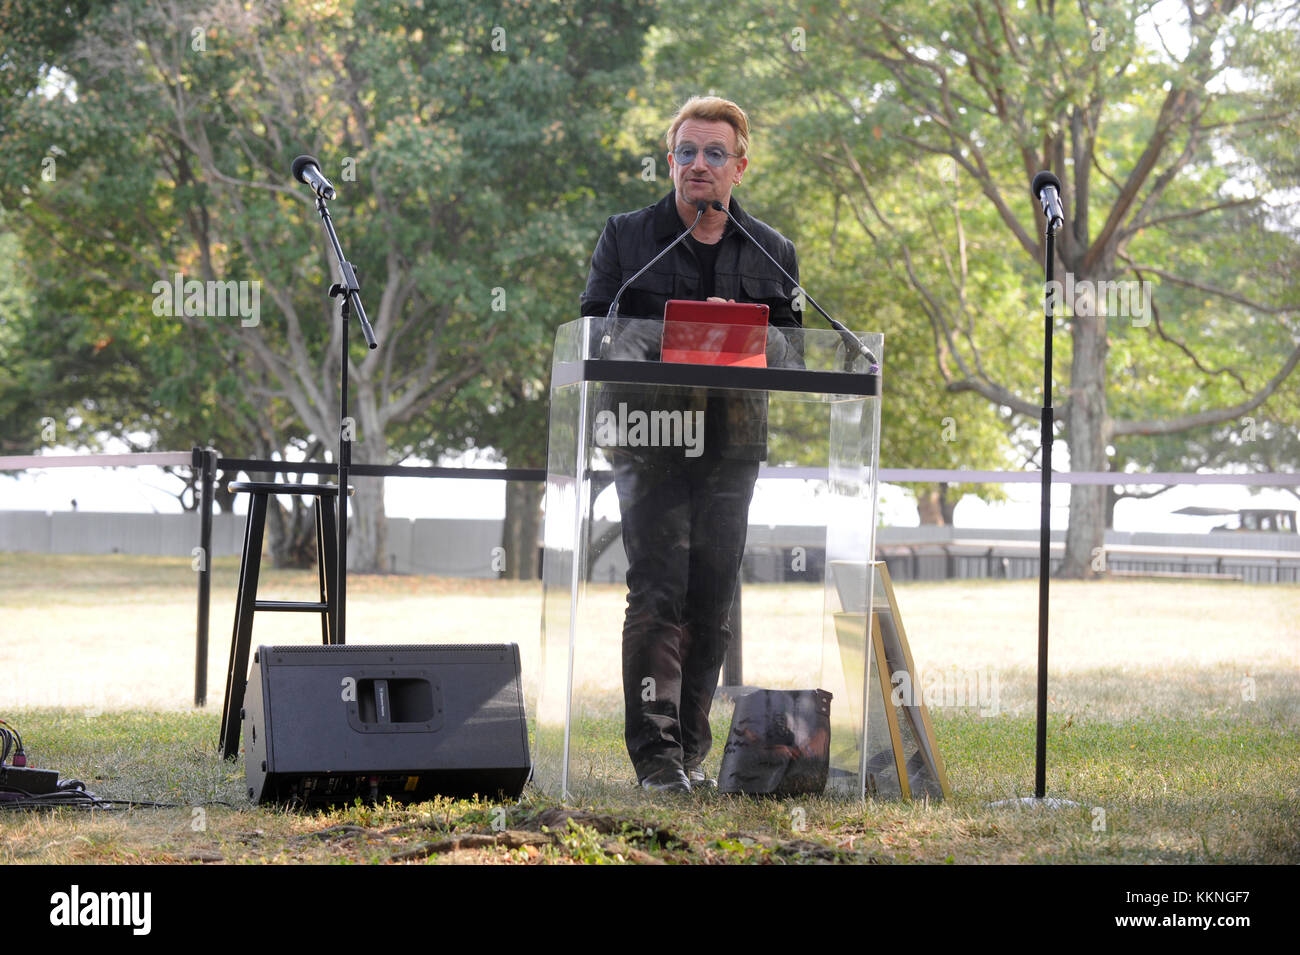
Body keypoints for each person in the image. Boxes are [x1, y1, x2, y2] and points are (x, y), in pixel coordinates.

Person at [580, 96, 802, 793]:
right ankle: (656, 758)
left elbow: (795, 352)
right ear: (671, 159)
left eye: (713, 154)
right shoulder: (627, 235)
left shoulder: (772, 249)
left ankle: (694, 753)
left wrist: (750, 337)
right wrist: (660, 341)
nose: (697, 165)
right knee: (657, 591)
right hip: (648, 440)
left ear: (739, 164)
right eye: (686, 152)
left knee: (712, 597)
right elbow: (593, 331)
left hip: (733, 445)